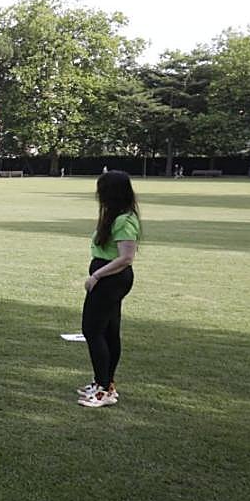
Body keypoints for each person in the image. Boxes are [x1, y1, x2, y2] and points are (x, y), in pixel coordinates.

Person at [78, 171, 140, 408]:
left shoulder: (124, 221)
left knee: (93, 330)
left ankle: (104, 389)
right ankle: (104, 383)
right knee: (108, 331)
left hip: (111, 280)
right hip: (109, 278)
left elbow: (126, 258)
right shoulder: (115, 218)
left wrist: (97, 276)